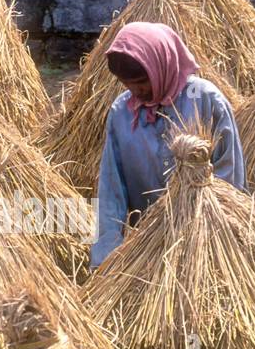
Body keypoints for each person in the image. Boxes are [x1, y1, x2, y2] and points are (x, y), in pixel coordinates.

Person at [92, 21, 245, 268]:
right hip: (148, 248)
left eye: (142, 81)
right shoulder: (121, 112)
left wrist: (217, 238)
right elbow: (111, 188)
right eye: (126, 83)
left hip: (206, 243)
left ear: (159, 66)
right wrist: (106, 257)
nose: (135, 90)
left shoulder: (206, 100)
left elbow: (231, 178)